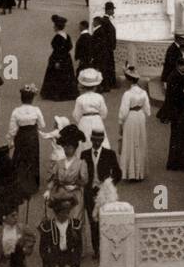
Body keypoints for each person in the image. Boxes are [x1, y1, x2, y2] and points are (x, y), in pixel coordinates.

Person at [7, 85, 51, 210]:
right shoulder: (36, 110)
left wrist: (10, 140)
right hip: (32, 136)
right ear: (32, 99)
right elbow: (42, 124)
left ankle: (19, 183)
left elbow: (12, 128)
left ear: (22, 98)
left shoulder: (16, 111)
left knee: (20, 157)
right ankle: (32, 184)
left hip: (21, 135)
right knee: (32, 158)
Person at [79, 128, 120, 256]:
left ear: (103, 140)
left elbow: (118, 173)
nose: (96, 143)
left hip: (105, 193)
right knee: (93, 221)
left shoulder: (110, 154)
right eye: (94, 140)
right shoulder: (84, 154)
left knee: (106, 220)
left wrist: (109, 185)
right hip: (89, 192)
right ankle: (97, 249)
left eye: (99, 140)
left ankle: (107, 247)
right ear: (91, 139)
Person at [44, 124, 88, 221]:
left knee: (75, 220)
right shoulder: (59, 163)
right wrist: (48, 190)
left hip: (75, 196)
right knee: (60, 218)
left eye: (69, 147)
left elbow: (84, 181)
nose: (66, 149)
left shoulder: (81, 163)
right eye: (65, 147)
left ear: (75, 148)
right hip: (61, 194)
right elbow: (53, 179)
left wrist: (75, 186)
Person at [118, 66, 150, 181]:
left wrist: (120, 123)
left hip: (130, 117)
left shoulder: (127, 94)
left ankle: (131, 172)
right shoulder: (143, 93)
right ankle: (139, 172)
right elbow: (148, 110)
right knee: (140, 141)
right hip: (140, 117)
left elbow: (123, 112)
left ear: (129, 80)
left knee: (130, 141)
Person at [41, 15, 78, 101]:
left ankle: (56, 94)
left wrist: (57, 61)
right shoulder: (67, 35)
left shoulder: (57, 37)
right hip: (66, 58)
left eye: (54, 26)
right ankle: (68, 93)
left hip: (57, 58)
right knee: (66, 75)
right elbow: (70, 46)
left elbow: (57, 50)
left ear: (57, 27)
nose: (53, 27)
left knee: (56, 76)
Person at [72, 68, 109, 149]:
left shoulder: (80, 98)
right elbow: (104, 113)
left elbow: (76, 115)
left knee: (85, 142)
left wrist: (82, 120)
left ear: (83, 86)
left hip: (84, 121)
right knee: (99, 141)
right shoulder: (99, 97)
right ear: (95, 87)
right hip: (97, 121)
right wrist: (98, 117)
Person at [96, 5, 118, 92]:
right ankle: (107, 85)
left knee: (108, 66)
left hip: (108, 49)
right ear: (108, 10)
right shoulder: (105, 21)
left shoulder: (107, 20)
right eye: (112, 10)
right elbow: (105, 36)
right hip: (107, 49)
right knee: (107, 67)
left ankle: (109, 84)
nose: (113, 11)